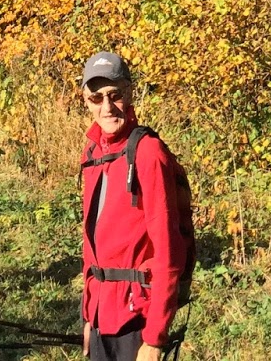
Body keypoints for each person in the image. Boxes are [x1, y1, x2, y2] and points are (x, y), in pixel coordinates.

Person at [79, 51, 193, 361]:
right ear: (86, 100)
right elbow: (90, 245)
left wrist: (155, 339)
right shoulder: (92, 154)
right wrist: (89, 317)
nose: (107, 107)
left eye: (115, 95)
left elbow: (169, 251)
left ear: (129, 93)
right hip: (102, 314)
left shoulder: (147, 153)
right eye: (97, 97)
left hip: (136, 320)